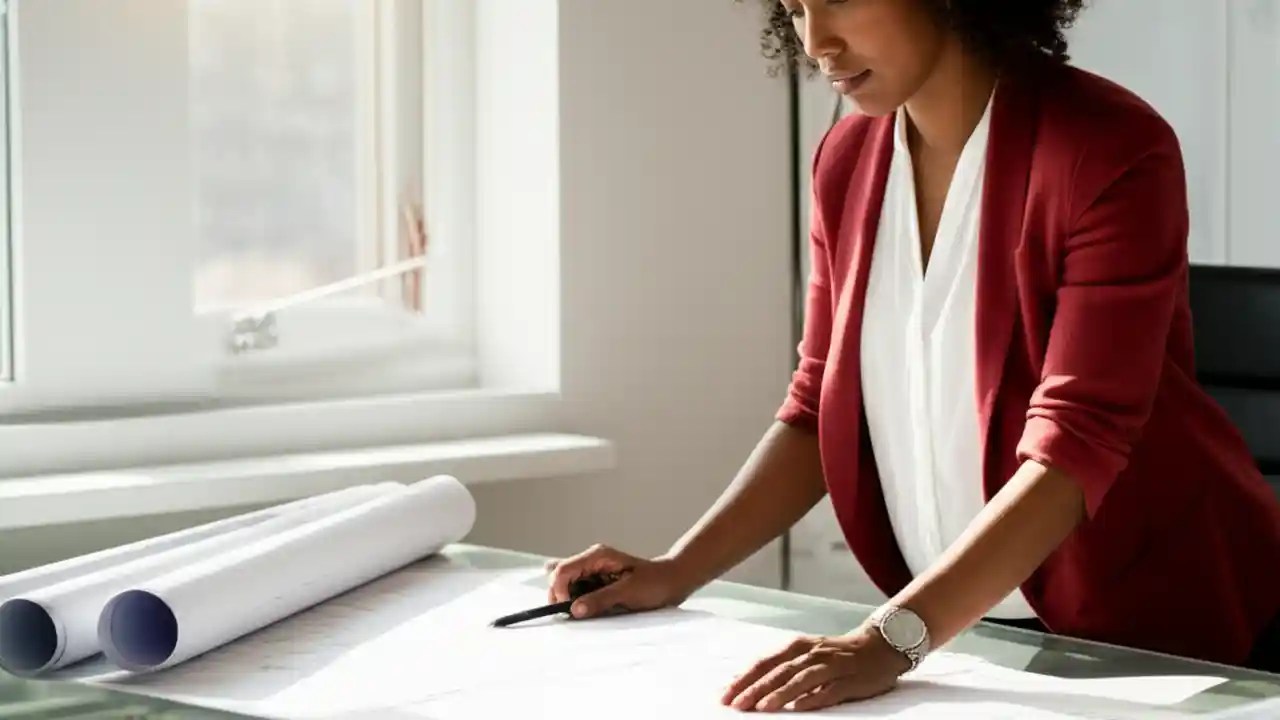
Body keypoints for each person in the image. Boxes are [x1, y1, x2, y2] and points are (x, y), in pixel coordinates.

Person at [546, 0, 1280, 712]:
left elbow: (1078, 441)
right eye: (794, 8)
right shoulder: (846, 159)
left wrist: (888, 640)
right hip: (975, 634)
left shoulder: (1108, 146)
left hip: (1162, 640)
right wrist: (678, 570)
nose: (815, 41)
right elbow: (817, 408)